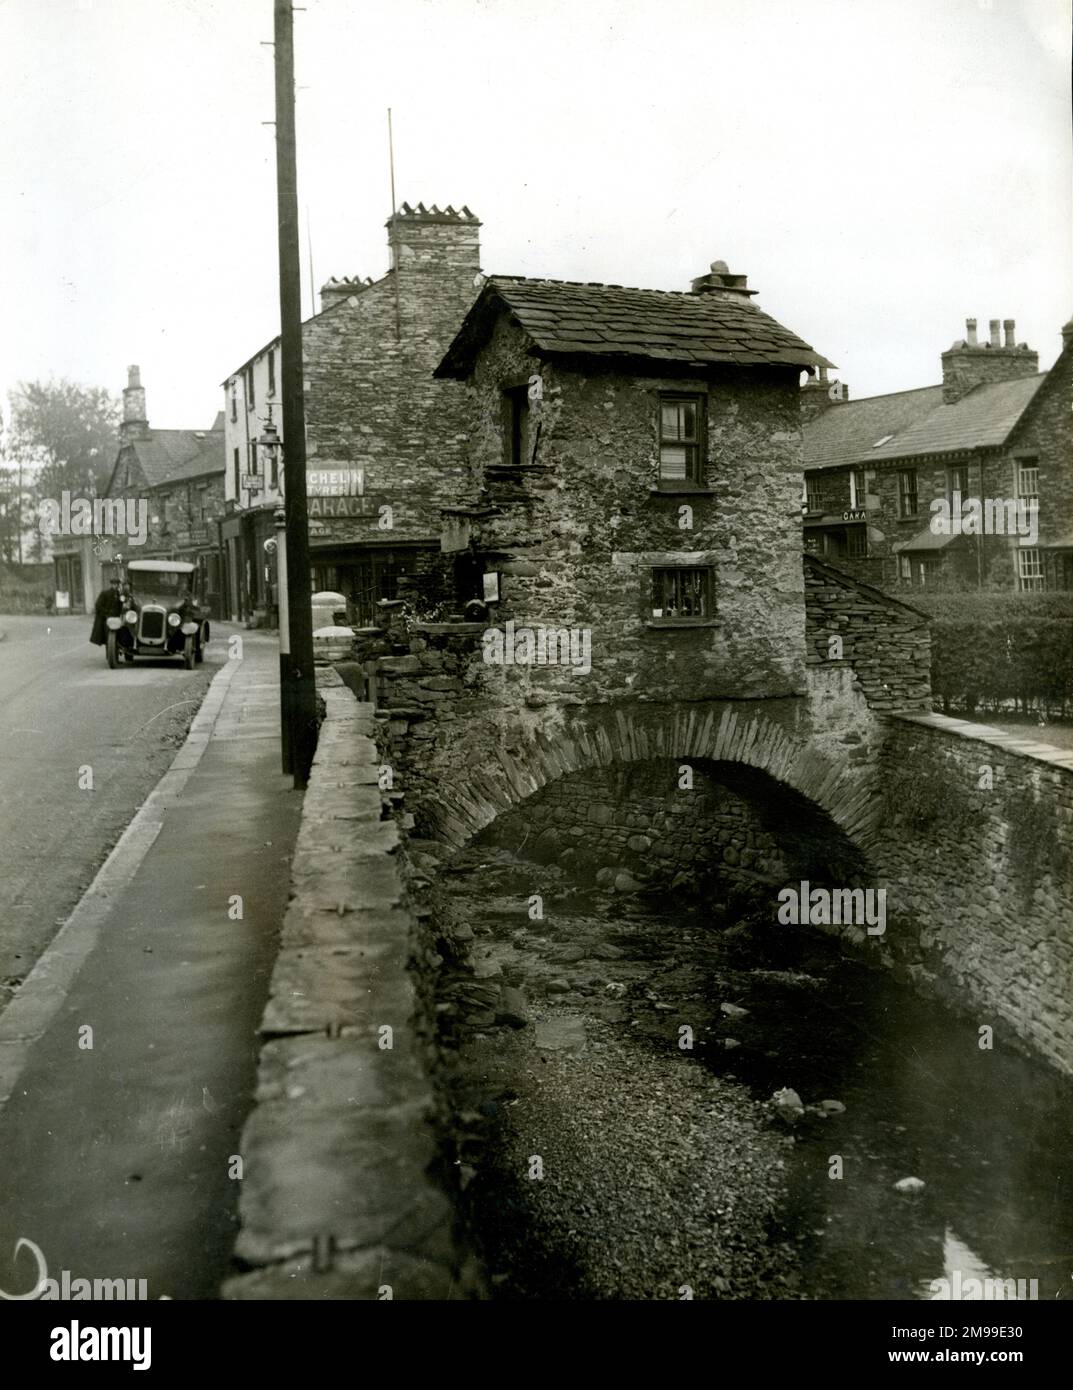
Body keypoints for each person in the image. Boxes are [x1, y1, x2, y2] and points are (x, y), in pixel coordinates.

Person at [89, 578, 122, 646]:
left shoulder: (119, 595)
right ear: (111, 584)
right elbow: (98, 605)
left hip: (117, 618)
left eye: (117, 584)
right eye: (114, 584)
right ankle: (110, 654)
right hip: (107, 618)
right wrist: (106, 613)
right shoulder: (105, 593)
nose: (115, 586)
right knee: (108, 636)